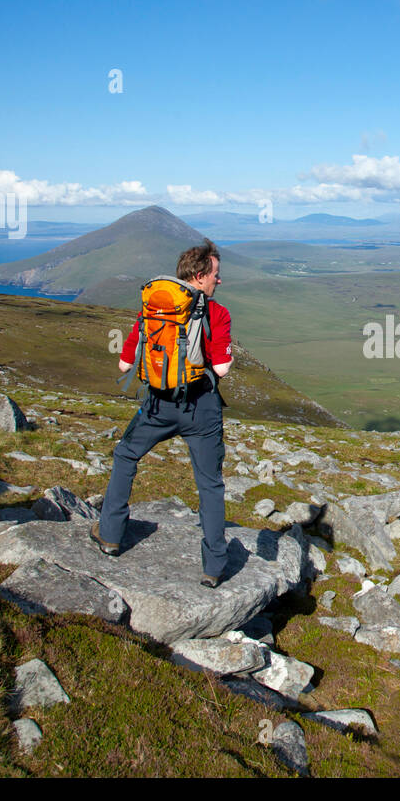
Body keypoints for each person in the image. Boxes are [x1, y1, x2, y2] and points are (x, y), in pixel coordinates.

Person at [90, 242, 233, 587]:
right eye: (216, 274)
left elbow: (125, 363)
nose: (219, 281)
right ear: (199, 276)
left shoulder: (152, 309)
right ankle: (213, 568)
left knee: (126, 453)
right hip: (201, 407)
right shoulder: (217, 313)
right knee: (209, 484)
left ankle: (109, 534)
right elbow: (224, 369)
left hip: (158, 405)